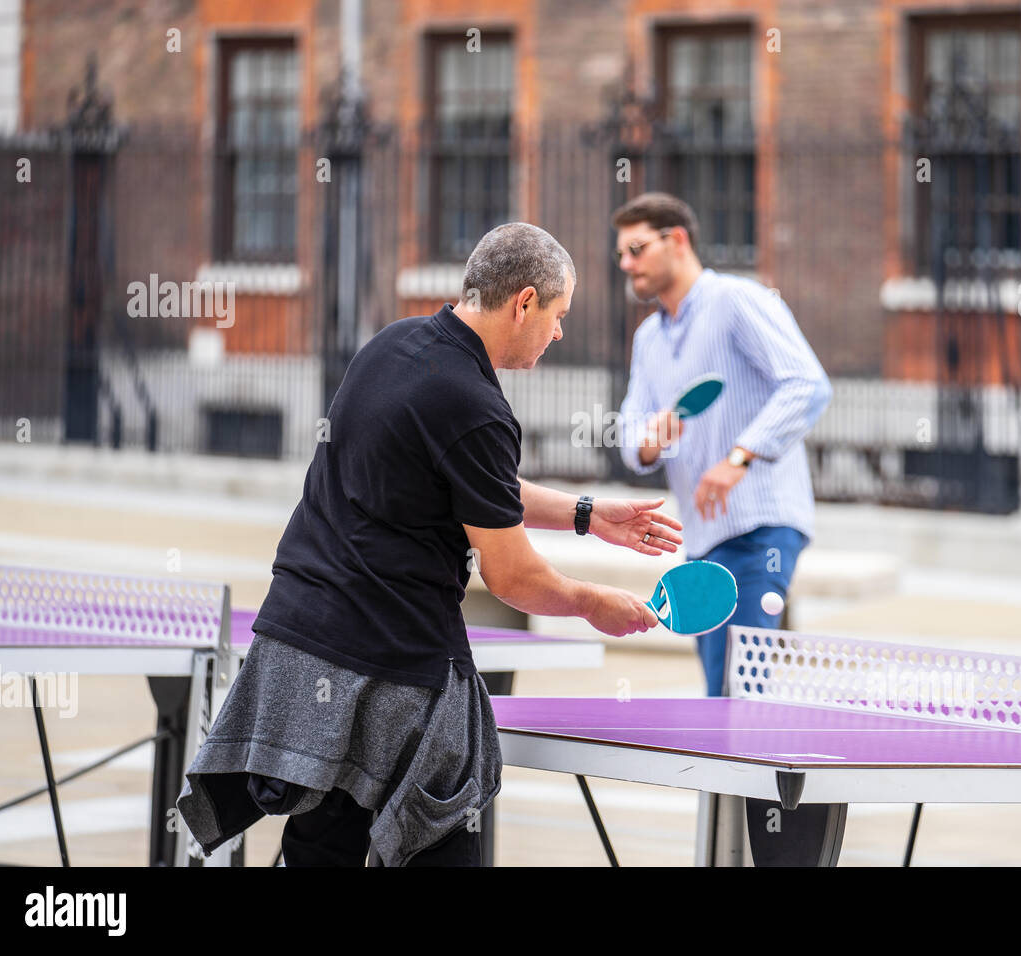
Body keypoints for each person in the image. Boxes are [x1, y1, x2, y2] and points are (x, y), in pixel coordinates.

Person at [177, 222, 680, 867]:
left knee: (323, 850)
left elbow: (469, 482)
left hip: (297, 653)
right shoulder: (476, 406)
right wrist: (592, 603)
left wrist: (587, 515)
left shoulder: (394, 345)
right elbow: (511, 576)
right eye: (558, 314)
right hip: (387, 674)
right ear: (524, 302)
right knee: (439, 849)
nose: (559, 332)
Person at [614, 192, 832, 697]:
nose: (627, 263)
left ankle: (749, 776)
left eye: (638, 248)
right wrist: (650, 442)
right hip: (703, 542)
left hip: (762, 529)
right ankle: (739, 776)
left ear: (678, 241)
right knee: (722, 690)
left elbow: (807, 384)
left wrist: (739, 457)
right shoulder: (648, 338)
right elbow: (630, 435)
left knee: (738, 687)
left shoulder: (737, 300)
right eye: (621, 254)